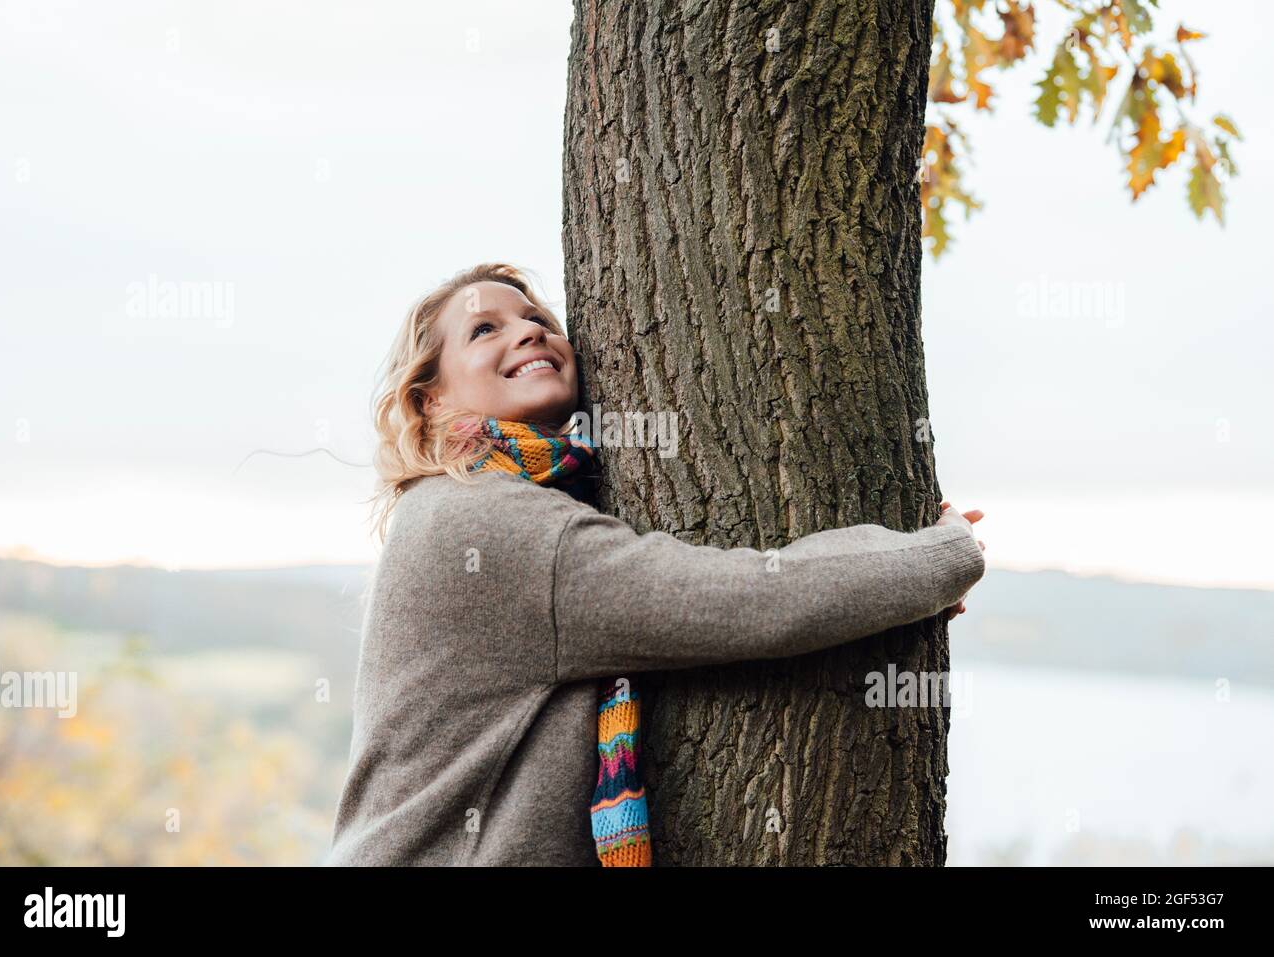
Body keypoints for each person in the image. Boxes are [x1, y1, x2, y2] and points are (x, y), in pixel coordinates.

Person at [327, 262, 986, 866]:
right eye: (484, 329)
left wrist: (900, 593)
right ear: (431, 400)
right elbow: (743, 600)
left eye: (539, 321)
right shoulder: (481, 519)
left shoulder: (477, 508)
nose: (528, 333)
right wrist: (941, 556)